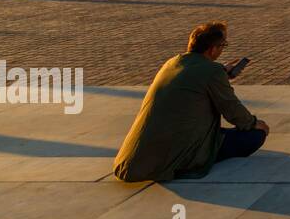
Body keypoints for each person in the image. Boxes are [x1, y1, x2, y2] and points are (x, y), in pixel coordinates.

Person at [113, 21, 270, 182]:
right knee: (255, 135)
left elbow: (195, 76)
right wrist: (253, 123)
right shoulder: (212, 72)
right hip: (171, 157)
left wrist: (221, 72)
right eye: (223, 45)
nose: (223, 49)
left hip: (130, 161)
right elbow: (232, 109)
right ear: (212, 49)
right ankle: (193, 158)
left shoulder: (172, 62)